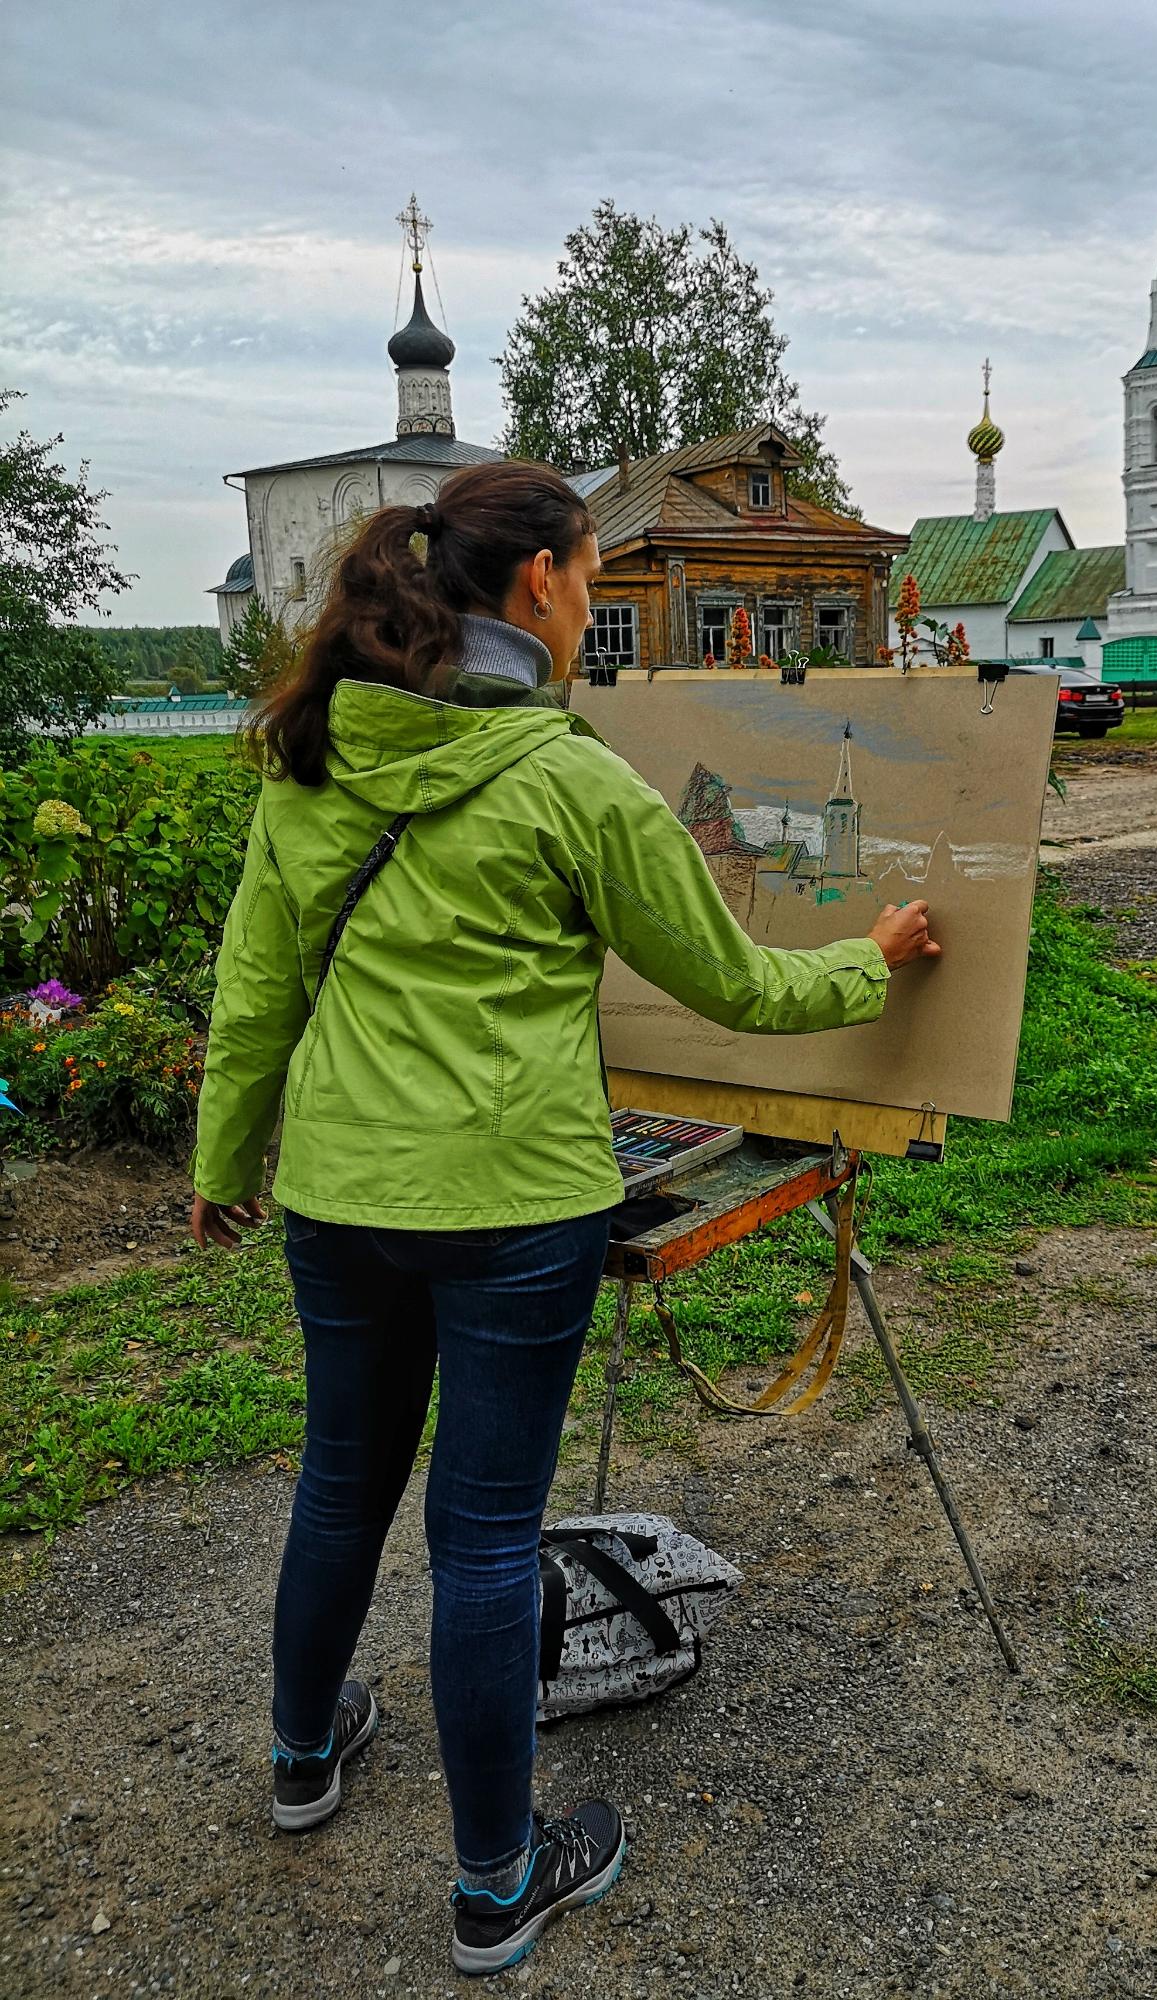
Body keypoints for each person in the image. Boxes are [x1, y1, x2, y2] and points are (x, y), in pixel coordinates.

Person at [188, 460, 941, 1978]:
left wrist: (223, 1158)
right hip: (512, 1210)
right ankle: (493, 1886)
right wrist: (872, 957)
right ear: (536, 585)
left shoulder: (314, 753)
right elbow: (736, 983)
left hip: (338, 1196)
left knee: (342, 1485)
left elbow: (258, 981)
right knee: (480, 1538)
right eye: (593, 574)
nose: (596, 597)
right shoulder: (569, 778)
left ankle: (300, 1758)